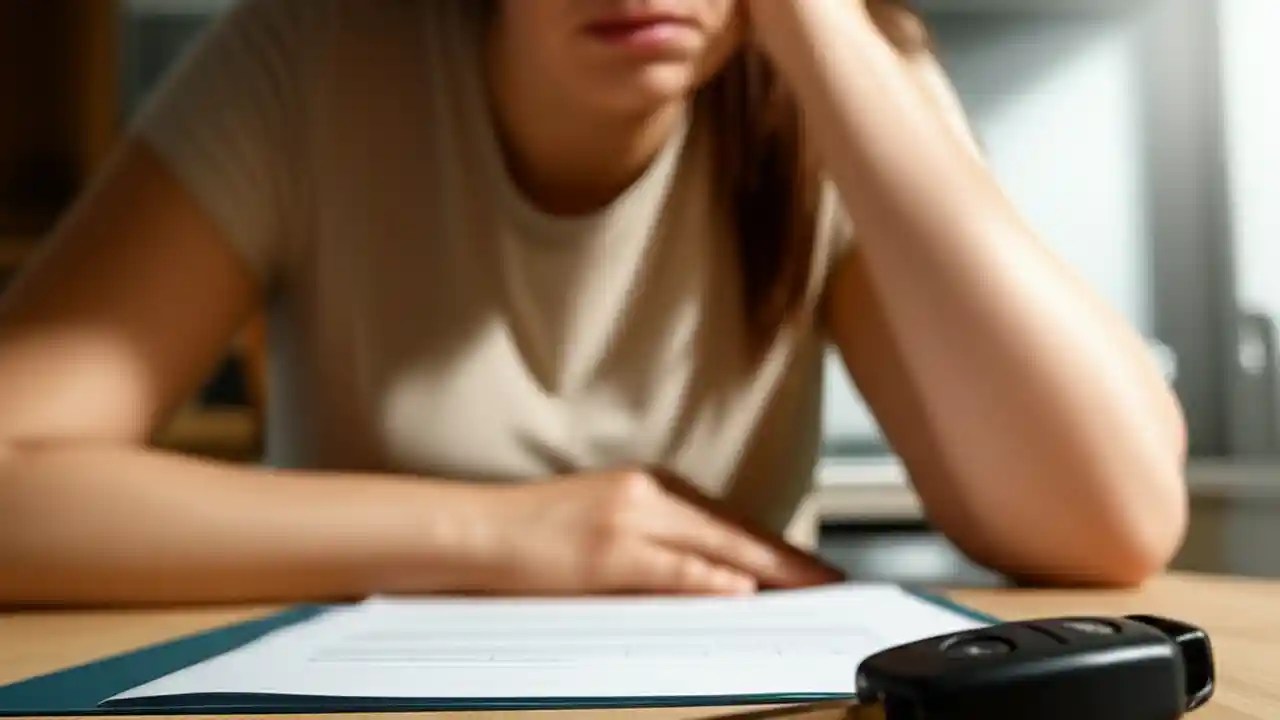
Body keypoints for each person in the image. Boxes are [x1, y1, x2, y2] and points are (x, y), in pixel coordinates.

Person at [0, 0, 1188, 606]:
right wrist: (501, 538)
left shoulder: (834, 83)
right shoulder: (310, 58)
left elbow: (1110, 519)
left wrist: (823, 31)